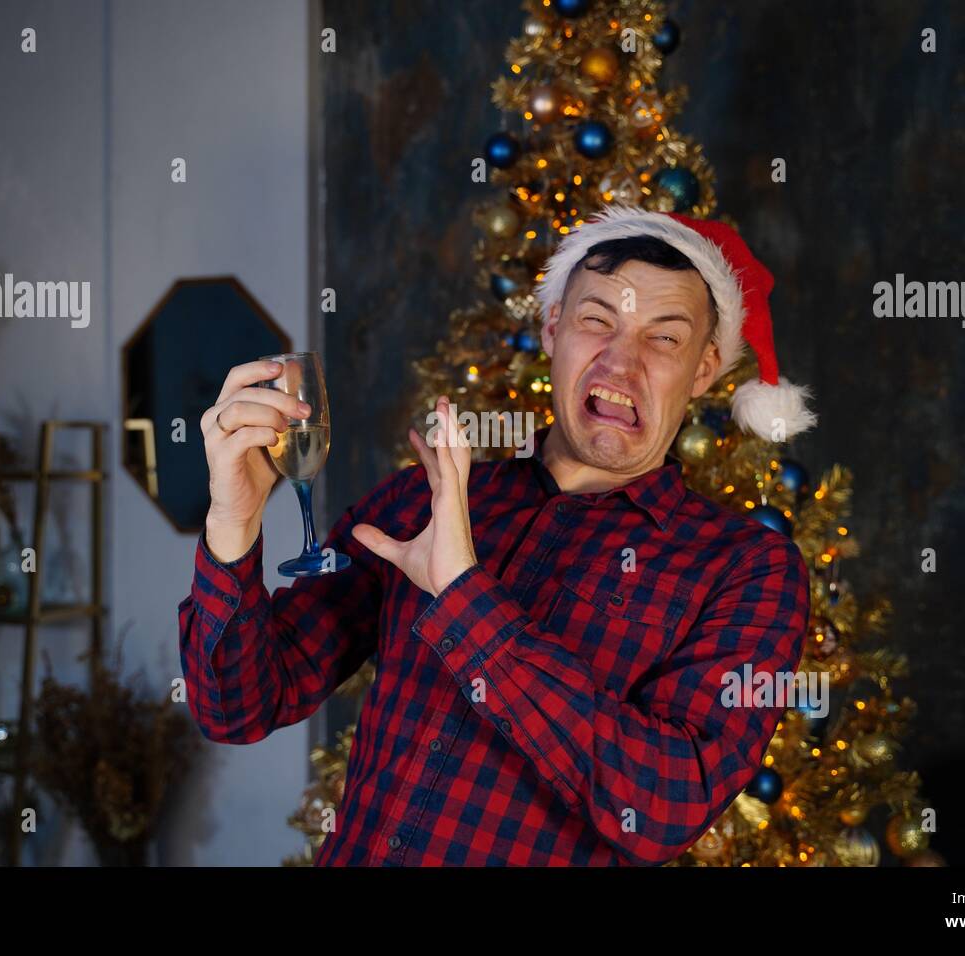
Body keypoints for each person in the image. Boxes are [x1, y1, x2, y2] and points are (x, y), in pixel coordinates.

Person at [179, 203, 816, 865]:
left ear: (706, 368)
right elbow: (237, 706)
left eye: (664, 338)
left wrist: (463, 596)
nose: (620, 362)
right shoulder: (425, 500)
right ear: (552, 327)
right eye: (597, 320)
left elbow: (663, 806)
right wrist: (234, 520)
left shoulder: (748, 570)